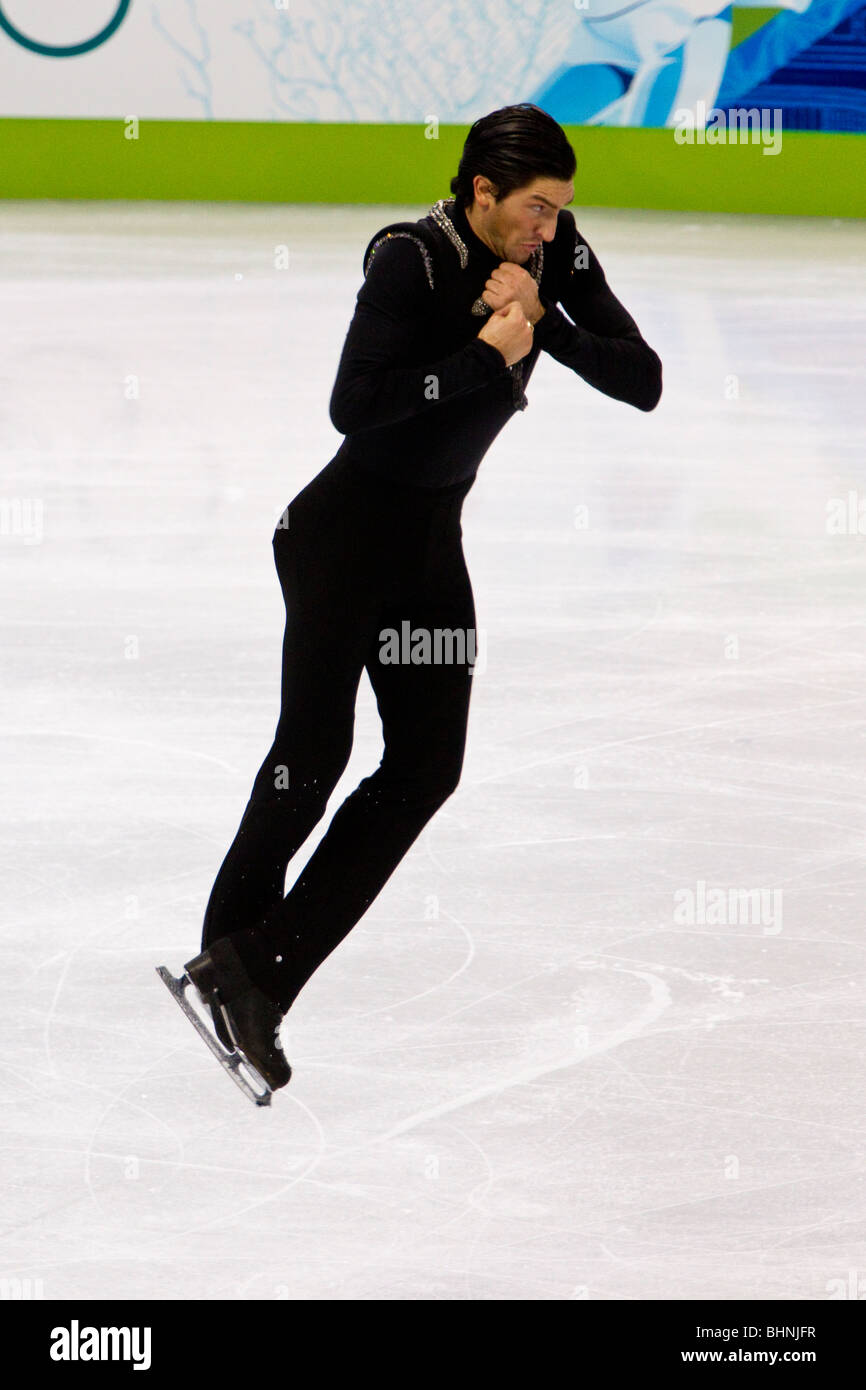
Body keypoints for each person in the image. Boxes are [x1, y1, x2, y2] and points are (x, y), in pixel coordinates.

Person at [177, 102, 662, 1095]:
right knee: (308, 762)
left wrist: (545, 323)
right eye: (532, 208)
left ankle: (257, 971)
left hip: (426, 551)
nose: (549, 227)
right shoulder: (410, 257)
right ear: (479, 191)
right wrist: (482, 356)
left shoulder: (553, 256)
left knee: (424, 767)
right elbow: (354, 406)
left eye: (560, 210)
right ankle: (224, 955)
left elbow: (643, 379)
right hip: (341, 539)